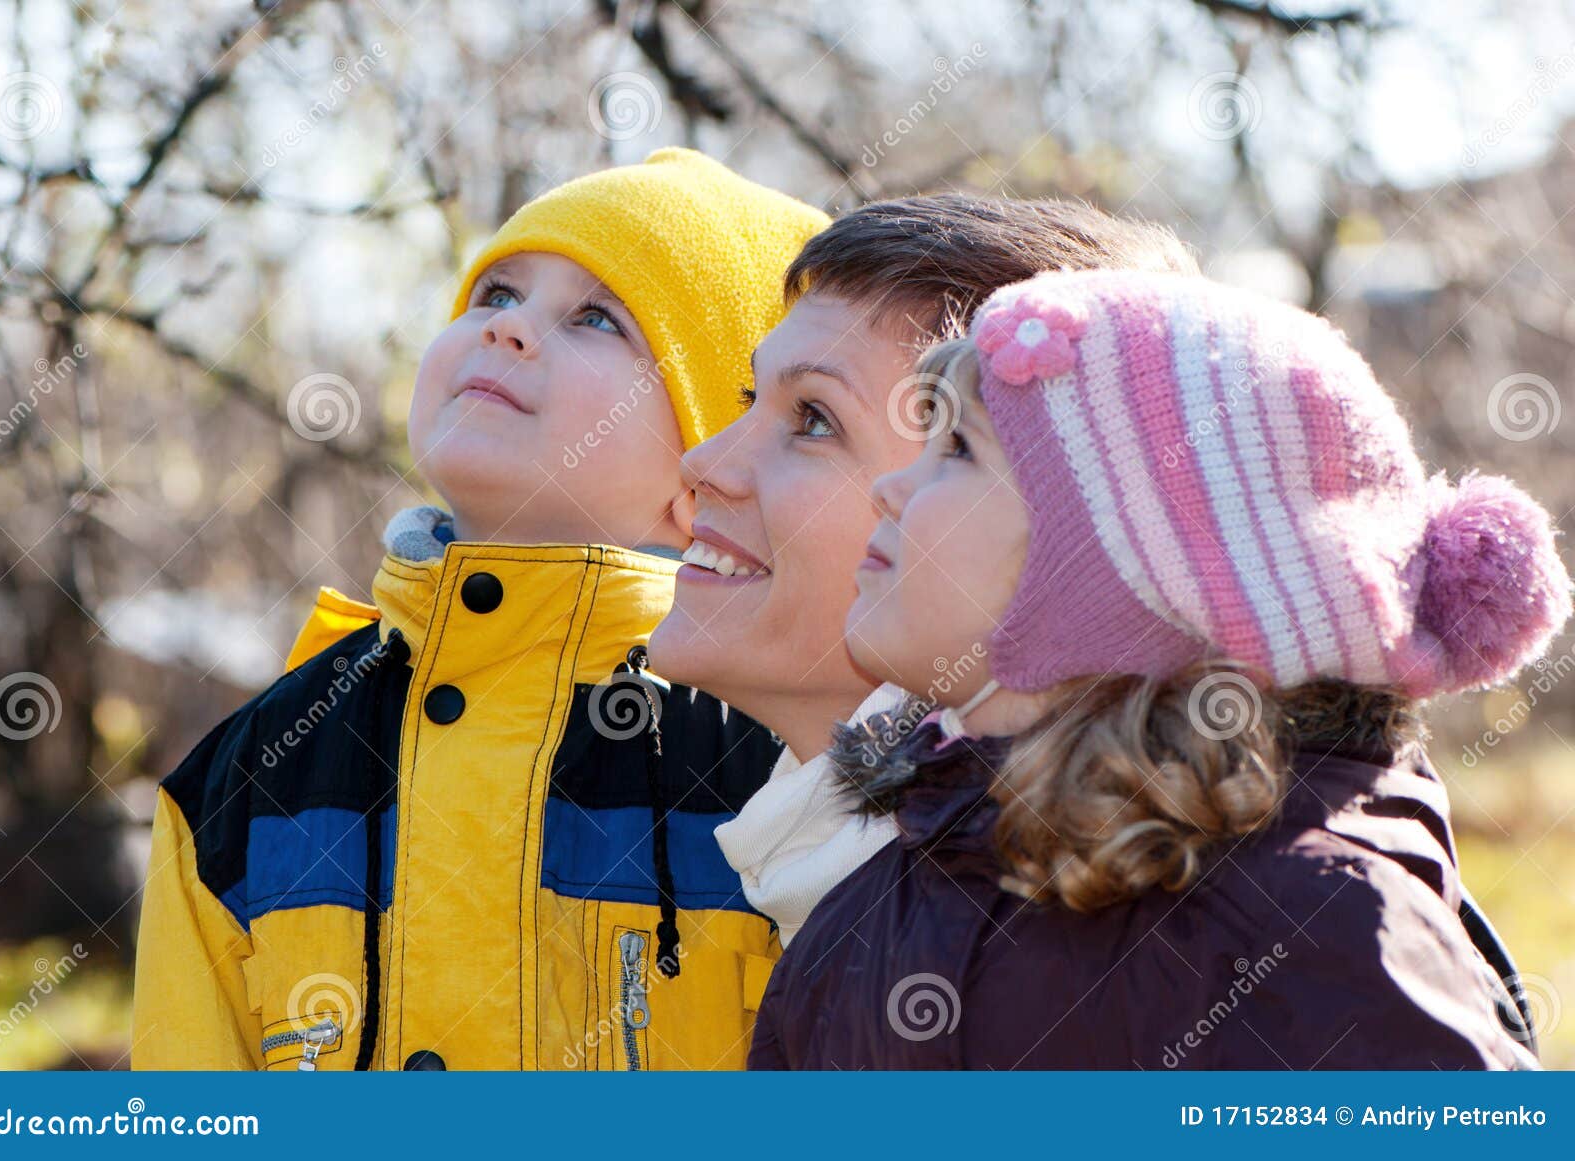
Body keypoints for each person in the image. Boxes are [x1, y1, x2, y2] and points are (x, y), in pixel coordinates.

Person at [749, 269, 1571, 1069]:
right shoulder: (853, 932)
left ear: (1132, 583)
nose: (891, 485)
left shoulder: (1312, 937)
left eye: (957, 447)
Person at [131, 148, 829, 1070]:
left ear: (704, 474)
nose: (509, 330)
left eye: (597, 318)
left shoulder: (777, 763)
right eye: (495, 294)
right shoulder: (245, 778)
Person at [647, 194, 1198, 946]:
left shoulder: (1090, 949)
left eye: (815, 418)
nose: (703, 462)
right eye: (751, 397)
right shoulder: (824, 886)